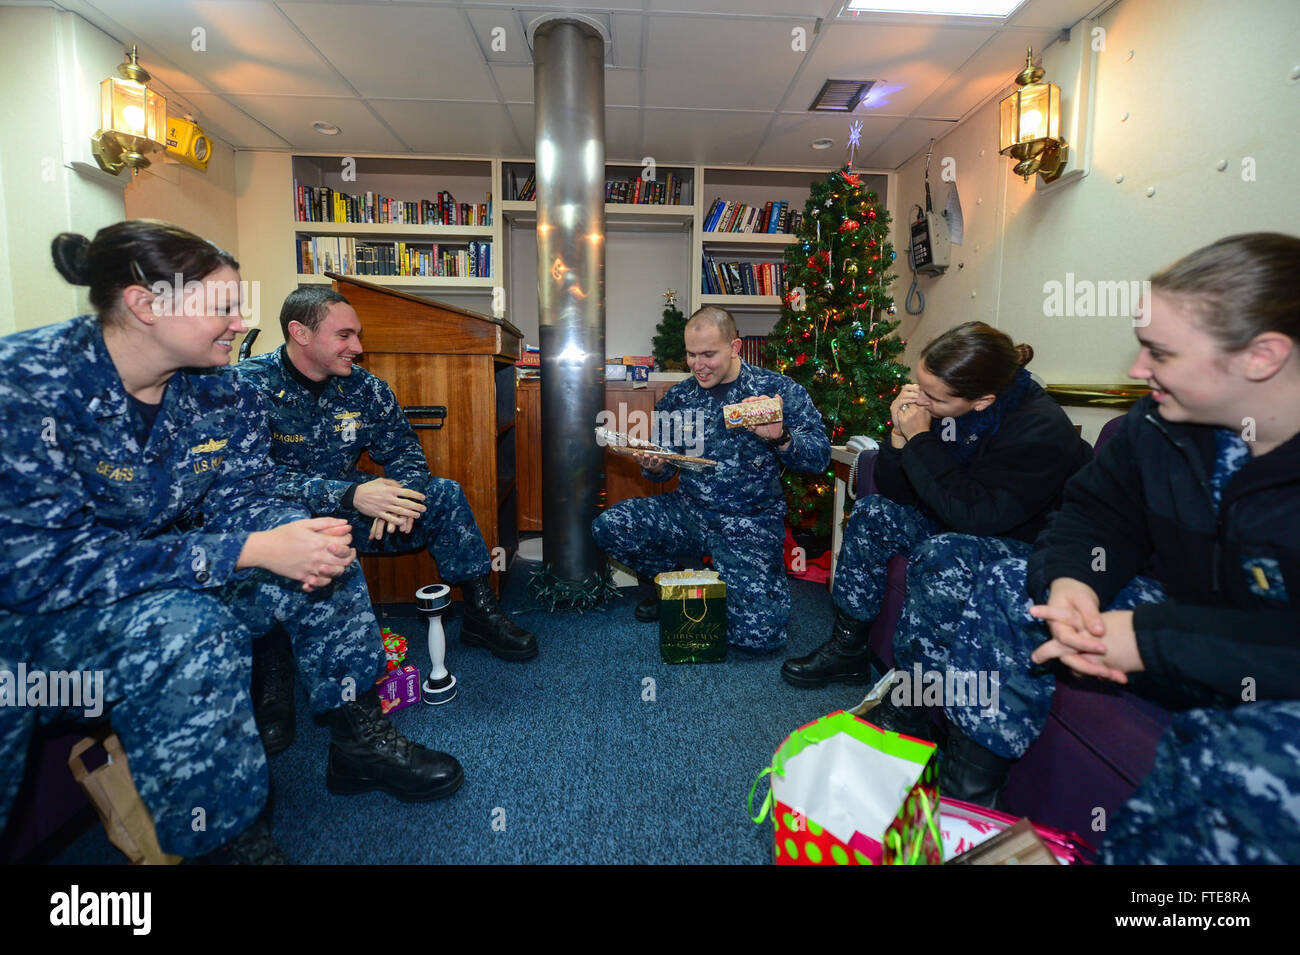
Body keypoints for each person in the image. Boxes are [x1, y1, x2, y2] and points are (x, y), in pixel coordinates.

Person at [0, 221, 461, 864]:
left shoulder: (222, 389)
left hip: (171, 574)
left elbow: (244, 495)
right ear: (145, 305)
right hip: (34, 621)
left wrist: (294, 534)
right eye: (221, 307)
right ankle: (229, 844)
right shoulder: (24, 385)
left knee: (325, 558)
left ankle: (359, 740)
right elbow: (38, 571)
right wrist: (244, 551)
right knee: (186, 629)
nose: (240, 320)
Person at [941, 233, 1300, 863]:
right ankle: (968, 812)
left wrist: (1152, 640)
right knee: (1010, 587)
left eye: (1159, 352)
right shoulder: (1157, 424)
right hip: (1183, 623)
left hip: (1267, 666)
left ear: (1263, 356)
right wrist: (1072, 585)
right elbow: (1092, 515)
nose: (1137, 370)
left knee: (1253, 758)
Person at [236, 287, 537, 746]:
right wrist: (351, 494)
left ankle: (480, 611)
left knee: (444, 495)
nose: (357, 347)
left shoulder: (363, 386)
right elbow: (246, 483)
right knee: (281, 538)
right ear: (300, 333)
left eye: (357, 335)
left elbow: (408, 458)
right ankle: (274, 679)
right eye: (344, 335)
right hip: (285, 525)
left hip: (360, 511)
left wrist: (398, 497)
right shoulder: (247, 387)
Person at [781, 322, 1092, 703]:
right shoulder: (952, 408)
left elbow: (974, 516)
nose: (921, 401)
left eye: (934, 397)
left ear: (983, 401)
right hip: (961, 517)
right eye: (920, 386)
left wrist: (920, 439)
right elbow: (900, 493)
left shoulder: (1040, 429)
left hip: (1024, 544)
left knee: (942, 553)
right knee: (873, 512)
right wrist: (897, 441)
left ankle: (913, 701)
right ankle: (848, 649)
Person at [591, 306, 830, 653]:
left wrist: (781, 437)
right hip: (689, 512)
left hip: (749, 522)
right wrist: (655, 466)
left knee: (758, 639)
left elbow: (819, 457)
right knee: (609, 526)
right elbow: (666, 467)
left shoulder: (776, 390)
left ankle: (729, 583)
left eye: (708, 354)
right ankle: (675, 584)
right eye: (691, 354)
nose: (698, 365)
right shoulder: (679, 397)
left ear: (735, 347)